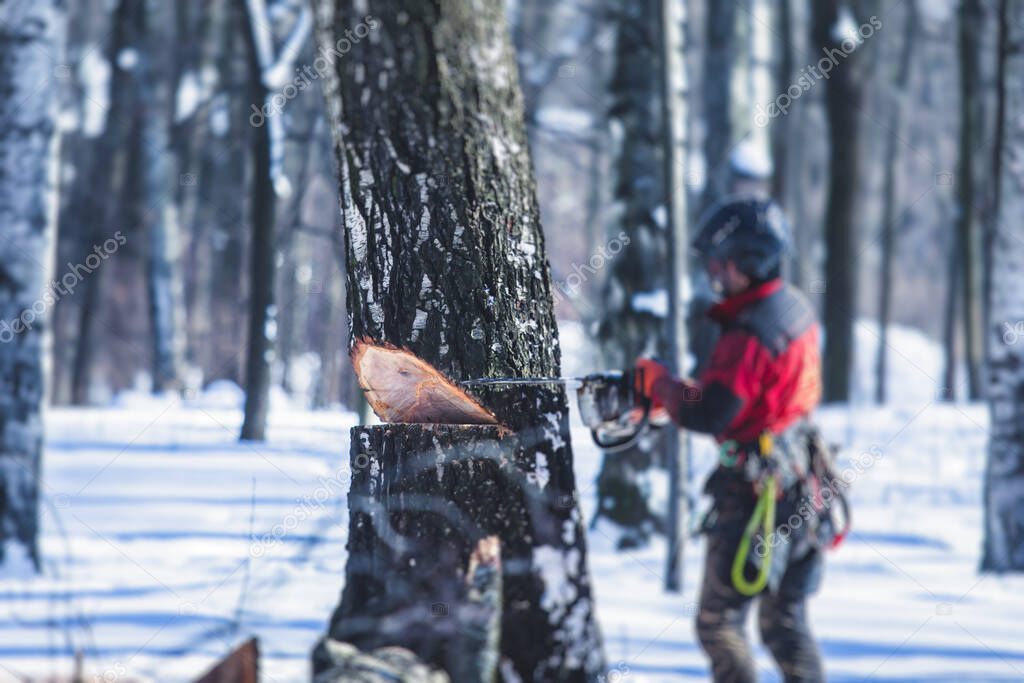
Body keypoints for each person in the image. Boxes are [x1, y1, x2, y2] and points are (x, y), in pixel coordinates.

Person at [636, 197, 827, 683]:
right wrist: (680, 392)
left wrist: (656, 384)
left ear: (751, 260)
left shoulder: (749, 332)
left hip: (757, 494)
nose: (714, 274)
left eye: (721, 263)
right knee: (784, 623)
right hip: (804, 484)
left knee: (718, 623)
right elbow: (755, 398)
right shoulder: (793, 308)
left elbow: (712, 414)